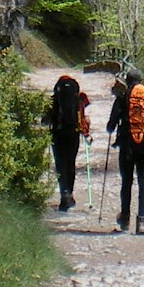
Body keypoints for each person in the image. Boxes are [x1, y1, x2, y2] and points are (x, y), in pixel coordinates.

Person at [105, 67, 144, 234]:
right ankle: (142, 221)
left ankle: (125, 218)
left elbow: (111, 125)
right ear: (141, 81)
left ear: (127, 81)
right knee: (143, 182)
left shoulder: (122, 98)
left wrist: (111, 130)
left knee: (127, 182)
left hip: (127, 146)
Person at [41, 74, 90, 211]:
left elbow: (45, 120)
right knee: (70, 163)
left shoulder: (54, 99)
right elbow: (83, 118)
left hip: (57, 134)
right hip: (73, 134)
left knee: (60, 164)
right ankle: (70, 192)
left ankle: (64, 194)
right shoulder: (78, 99)